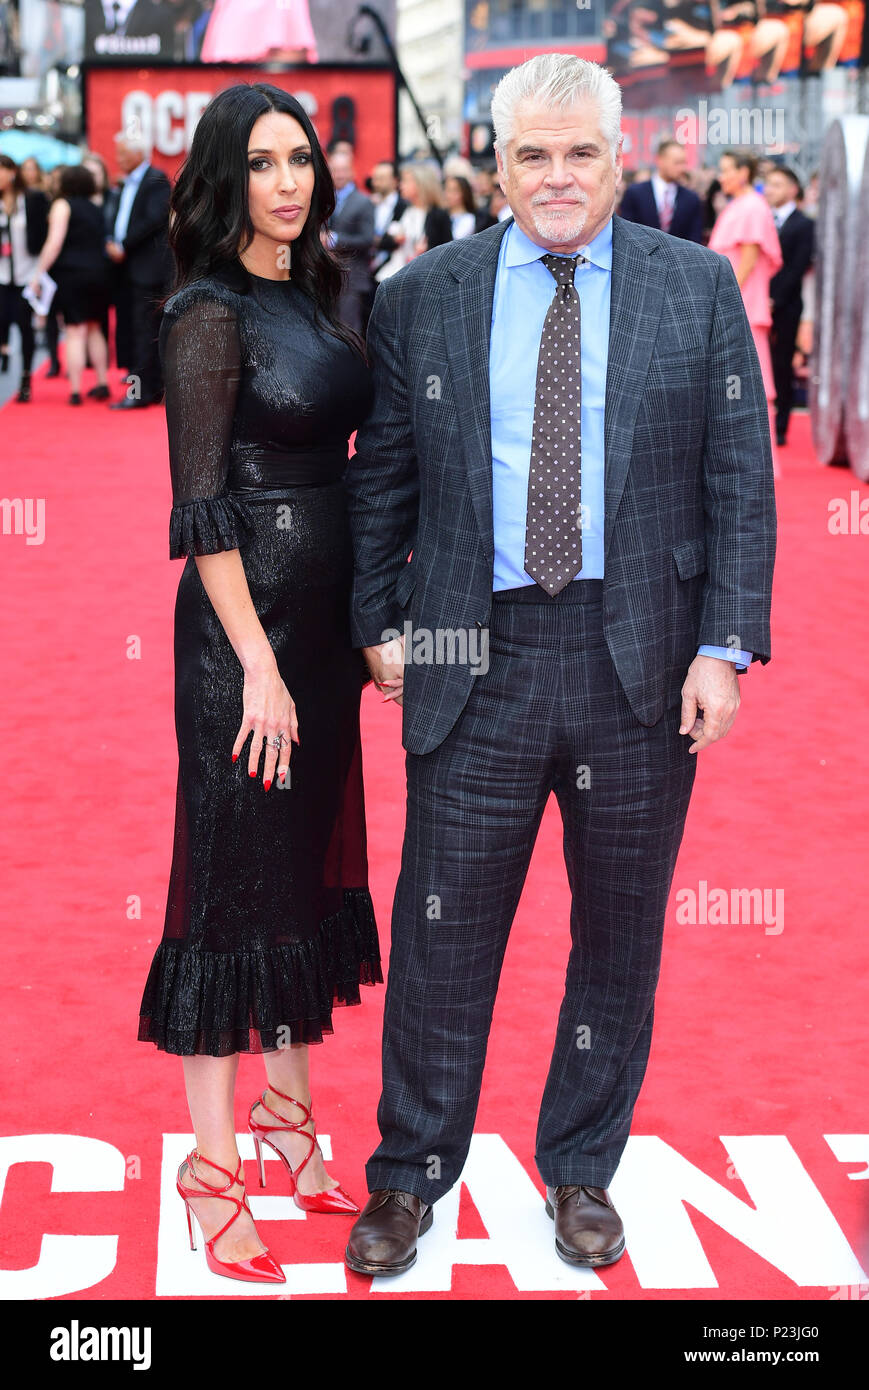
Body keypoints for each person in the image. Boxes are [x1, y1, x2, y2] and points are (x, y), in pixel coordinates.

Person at [344, 51, 775, 1277]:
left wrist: (721, 647)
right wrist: (380, 620)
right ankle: (409, 1173)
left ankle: (580, 1165)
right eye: (530, 154)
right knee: (443, 932)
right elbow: (383, 480)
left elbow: (738, 478)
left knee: (617, 933)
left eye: (578, 152)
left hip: (637, 660)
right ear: (496, 164)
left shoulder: (692, 289)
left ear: (616, 157)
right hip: (468, 653)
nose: (556, 176)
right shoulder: (423, 292)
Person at [136, 81, 382, 1286]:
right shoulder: (204, 311)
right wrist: (258, 668)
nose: (289, 182)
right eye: (265, 163)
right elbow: (202, 507)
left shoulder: (333, 292)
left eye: (303, 161)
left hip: (328, 633)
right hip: (244, 640)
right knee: (232, 882)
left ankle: (291, 1117)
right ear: (225, 175)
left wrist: (366, 628)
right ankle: (213, 1164)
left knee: (301, 868)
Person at [709, 149, 783, 474]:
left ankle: (762, 461)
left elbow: (750, 260)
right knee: (735, 383)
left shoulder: (752, 206)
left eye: (726, 170)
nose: (720, 176)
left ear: (743, 172)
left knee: (755, 383)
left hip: (743, 309)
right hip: (735, 309)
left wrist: (727, 297)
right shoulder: (738, 205)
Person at [29, 164, 111, 405]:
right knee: (95, 328)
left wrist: (38, 274)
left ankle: (75, 390)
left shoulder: (62, 206)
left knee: (75, 331)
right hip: (99, 274)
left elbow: (54, 244)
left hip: (71, 275)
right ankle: (102, 382)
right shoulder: (96, 208)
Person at [106, 133, 172, 409]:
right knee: (135, 330)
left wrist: (123, 244)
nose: (118, 158)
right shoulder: (124, 184)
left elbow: (153, 219)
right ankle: (149, 388)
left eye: (123, 153)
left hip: (148, 269)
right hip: (127, 269)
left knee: (145, 331)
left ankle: (141, 393)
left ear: (139, 153)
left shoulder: (156, 179)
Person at [765, 166, 814, 446]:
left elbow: (797, 267)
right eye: (768, 184)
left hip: (787, 305)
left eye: (777, 184)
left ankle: (781, 424)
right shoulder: (763, 218)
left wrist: (775, 300)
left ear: (793, 189)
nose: (770, 190)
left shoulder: (804, 224)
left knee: (782, 364)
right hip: (759, 303)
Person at [0, 154, 47, 402]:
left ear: (11, 172)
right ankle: (5, 353)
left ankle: (26, 377)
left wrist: (40, 274)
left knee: (23, 325)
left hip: (27, 274)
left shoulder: (31, 199)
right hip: (2, 275)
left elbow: (42, 236)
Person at [323, 146, 374, 335]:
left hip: (353, 277)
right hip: (327, 276)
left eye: (343, 170)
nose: (339, 175)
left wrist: (335, 239)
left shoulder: (363, 202)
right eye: (334, 170)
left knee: (349, 330)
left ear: (352, 172)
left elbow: (367, 239)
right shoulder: (324, 200)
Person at [375, 163, 451, 282]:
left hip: (421, 278)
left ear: (421, 184)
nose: (401, 186)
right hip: (391, 274)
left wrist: (425, 253)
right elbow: (383, 243)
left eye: (405, 181)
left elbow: (447, 251)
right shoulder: (402, 208)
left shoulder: (438, 215)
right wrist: (395, 240)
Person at [618, 137, 704, 242]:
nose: (682, 168)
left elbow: (695, 240)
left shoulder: (691, 199)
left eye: (683, 163)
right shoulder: (635, 193)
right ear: (660, 161)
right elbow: (626, 234)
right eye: (677, 163)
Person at [444, 174, 478, 239]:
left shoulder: (468, 219)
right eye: (447, 190)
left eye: (454, 191)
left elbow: (454, 239)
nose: (448, 195)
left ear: (464, 193)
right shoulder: (441, 215)